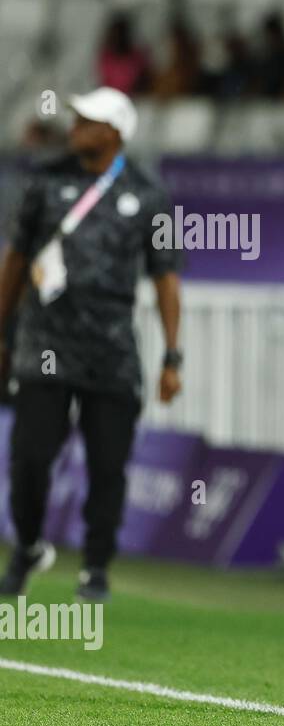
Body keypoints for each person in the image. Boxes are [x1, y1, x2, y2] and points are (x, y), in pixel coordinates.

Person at [0, 88, 183, 601]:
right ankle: (28, 547)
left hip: (111, 351)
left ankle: (96, 567)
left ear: (116, 133)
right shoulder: (45, 180)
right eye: (77, 119)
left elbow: (167, 277)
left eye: (90, 121)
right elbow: (16, 260)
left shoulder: (149, 193)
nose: (77, 127)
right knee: (30, 459)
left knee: (108, 465)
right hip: (43, 346)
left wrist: (172, 355)